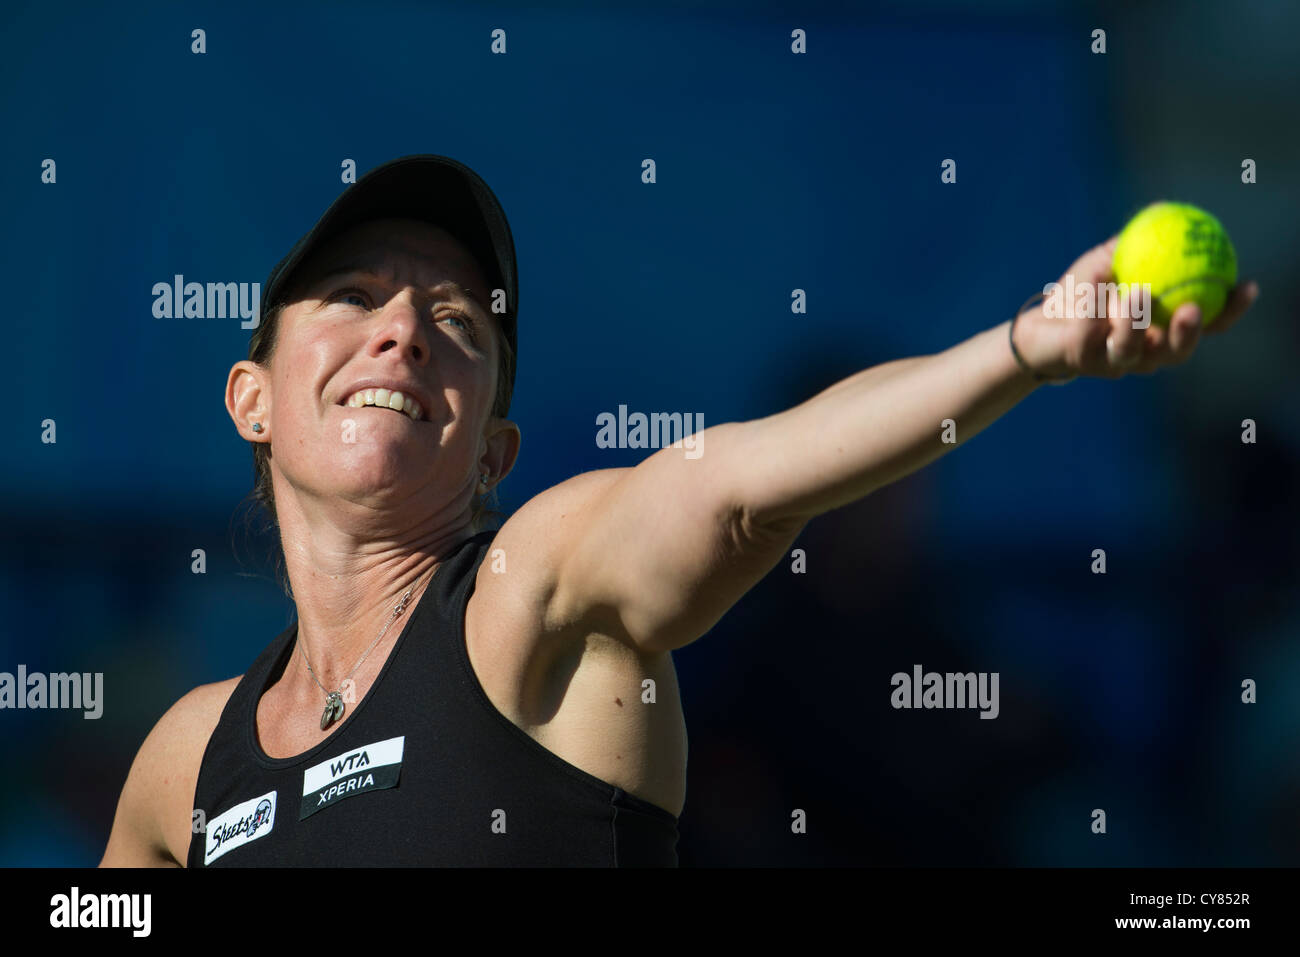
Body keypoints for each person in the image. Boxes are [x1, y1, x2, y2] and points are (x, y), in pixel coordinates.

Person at [99, 155, 1258, 867]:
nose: (400, 328)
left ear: (495, 452)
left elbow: (739, 482)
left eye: (457, 324)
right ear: (250, 397)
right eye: (352, 296)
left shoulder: (528, 595)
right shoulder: (184, 759)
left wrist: (1021, 350)